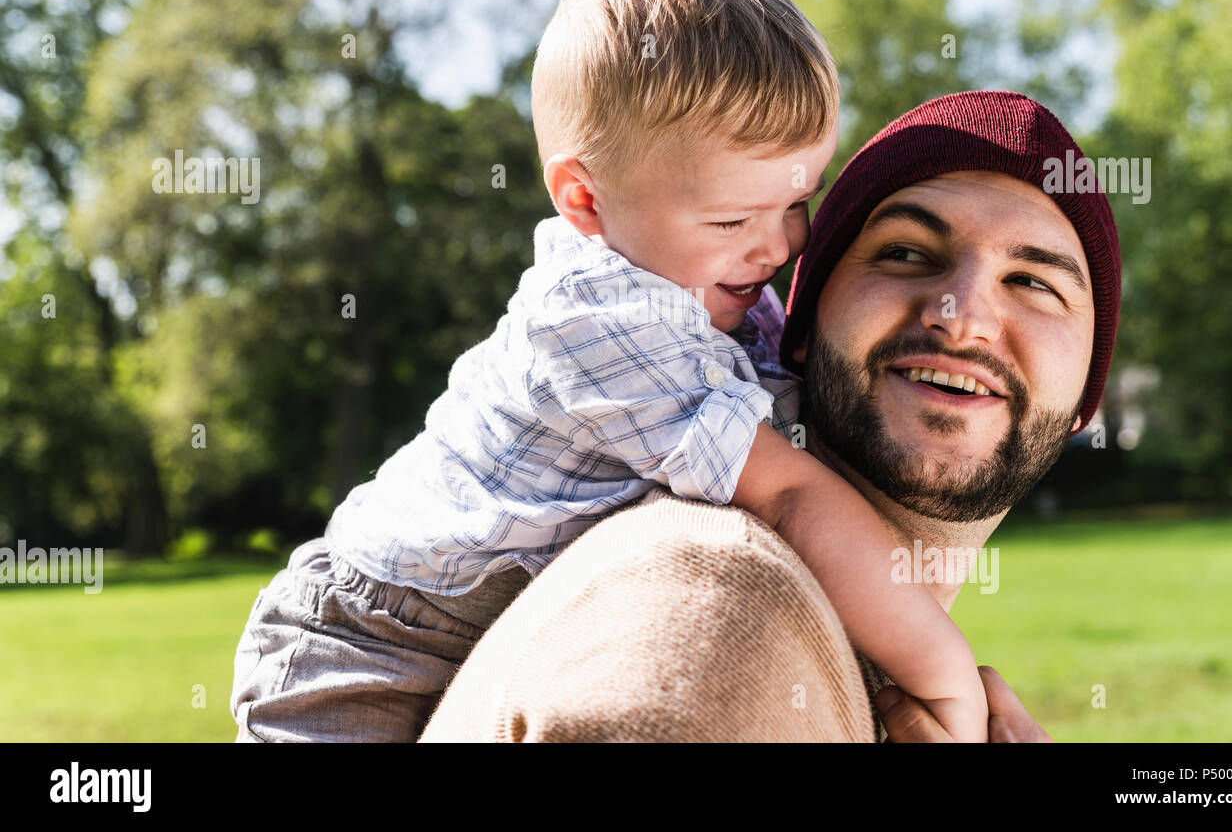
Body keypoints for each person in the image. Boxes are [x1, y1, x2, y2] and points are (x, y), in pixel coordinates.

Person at [230, 0, 989, 742]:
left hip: (502, 624)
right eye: (733, 220)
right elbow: (791, 493)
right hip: (368, 644)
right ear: (585, 200)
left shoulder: (720, 286)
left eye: (796, 203)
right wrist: (941, 668)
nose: (777, 247)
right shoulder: (597, 318)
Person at [420, 89, 1121, 742]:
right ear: (801, 323)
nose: (962, 315)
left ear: (1087, 391)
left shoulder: (816, 637)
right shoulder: (717, 612)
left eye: (1032, 281)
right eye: (906, 252)